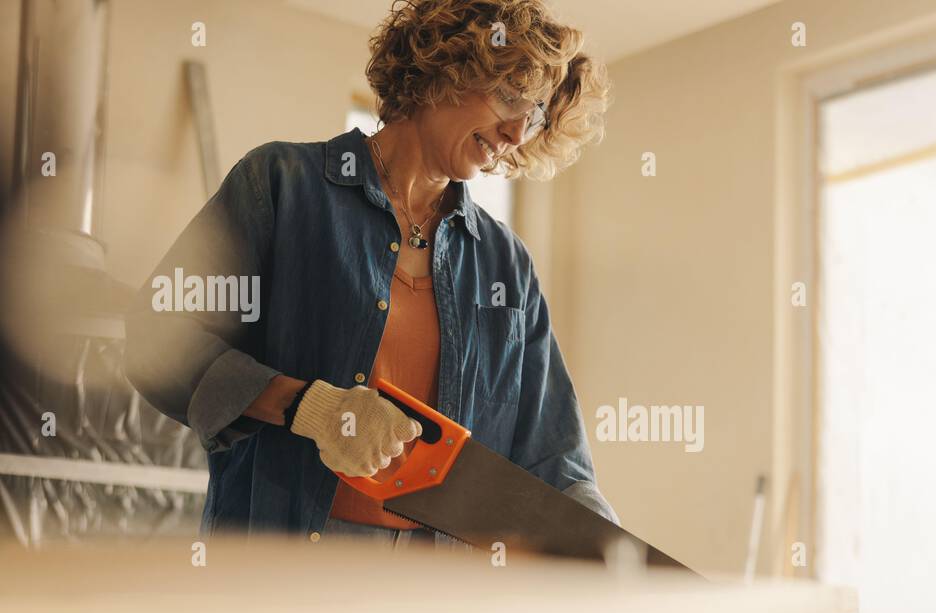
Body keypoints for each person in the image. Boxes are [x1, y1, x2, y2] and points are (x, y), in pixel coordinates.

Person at [126, 0, 616, 549]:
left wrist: (604, 542)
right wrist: (310, 408)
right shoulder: (282, 186)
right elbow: (155, 340)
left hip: (438, 593)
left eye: (534, 118)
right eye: (509, 98)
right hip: (275, 563)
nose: (515, 134)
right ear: (444, 69)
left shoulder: (507, 264)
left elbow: (555, 454)